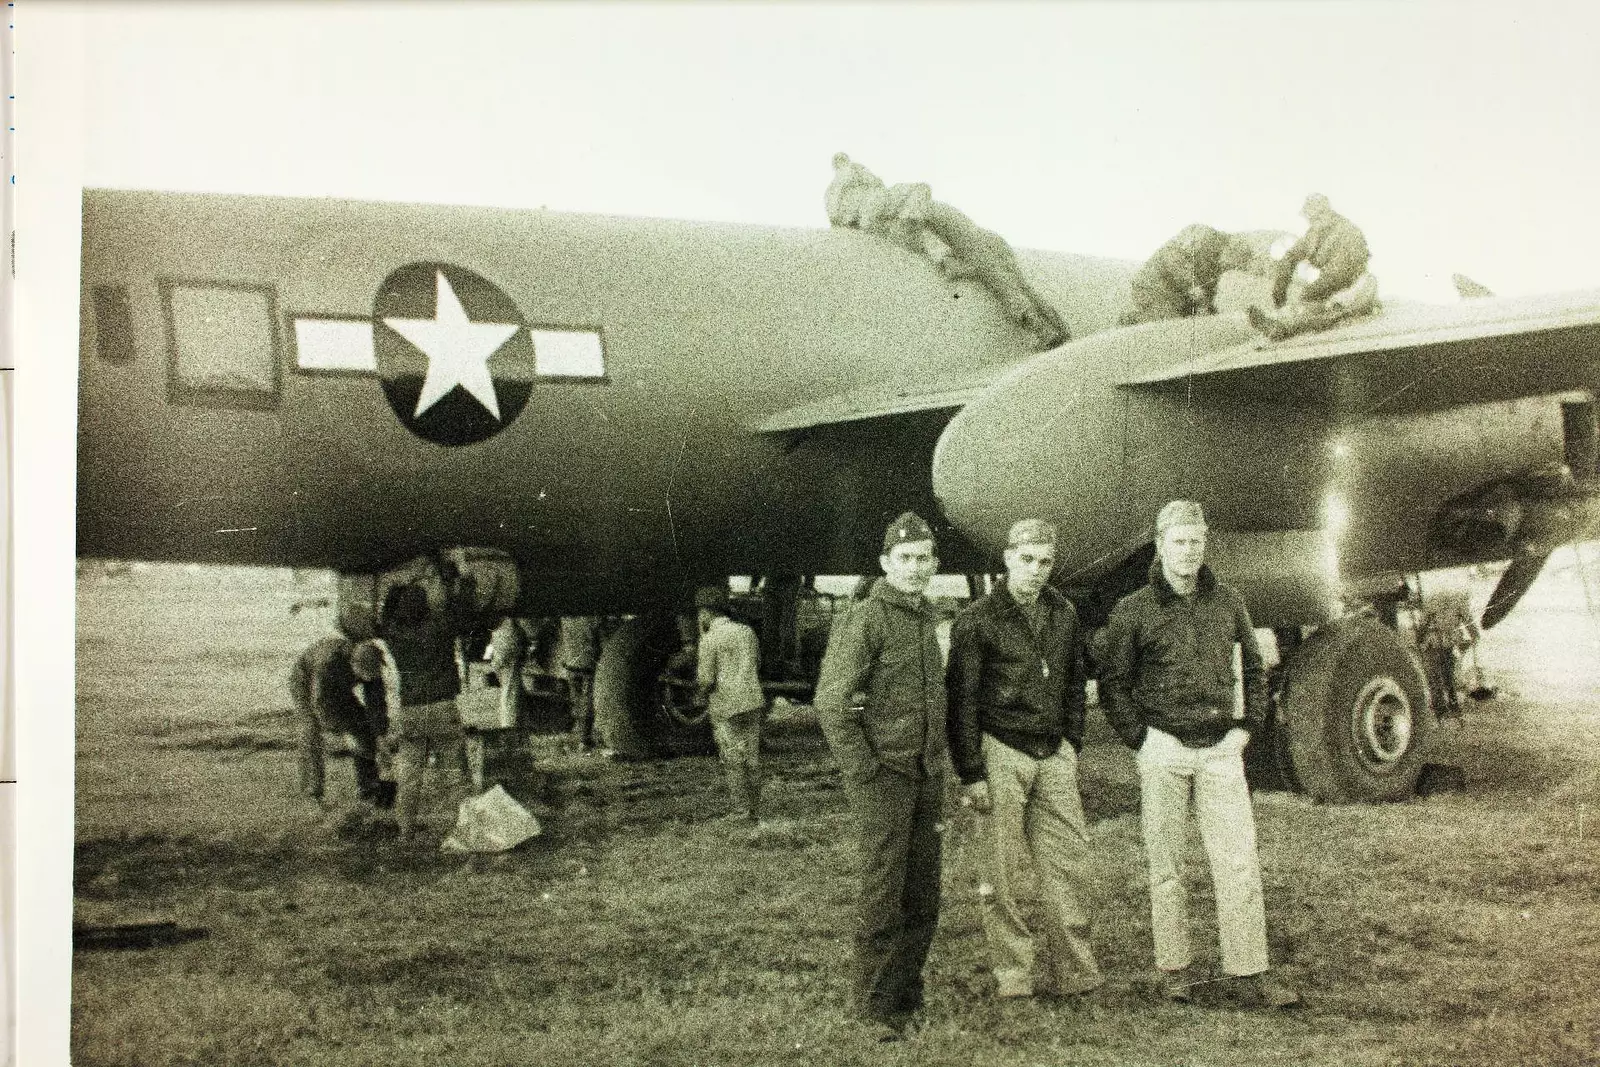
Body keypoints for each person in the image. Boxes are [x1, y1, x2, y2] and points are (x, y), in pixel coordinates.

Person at [1099, 501, 1300, 1009]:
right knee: (1166, 863)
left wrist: (1246, 730)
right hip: (1163, 747)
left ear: (1204, 544)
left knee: (1236, 860)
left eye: (1195, 541)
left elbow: (1254, 672)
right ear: (1160, 544)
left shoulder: (1229, 603)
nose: (1188, 552)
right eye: (1178, 542)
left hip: (1220, 749)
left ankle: (1249, 969)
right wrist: (1141, 739)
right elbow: (1114, 683)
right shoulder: (1134, 609)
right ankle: (1175, 969)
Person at [945, 518, 1101, 1000]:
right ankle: (1014, 975)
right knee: (1001, 873)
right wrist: (972, 771)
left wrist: (1072, 742)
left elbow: (1074, 683)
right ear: (1008, 557)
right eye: (1027, 559)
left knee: (1069, 865)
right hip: (1000, 751)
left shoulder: (1064, 614)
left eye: (1045, 562)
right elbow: (962, 699)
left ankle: (1076, 973)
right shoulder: (978, 619)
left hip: (1052, 752)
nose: (1036, 570)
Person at [814, 512, 949, 1040]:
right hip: (884, 779)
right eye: (905, 559)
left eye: (923, 559)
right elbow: (832, 703)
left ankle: (907, 994)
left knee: (922, 892)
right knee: (882, 891)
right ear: (885, 564)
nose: (915, 569)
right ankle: (874, 1007)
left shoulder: (924, 618)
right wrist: (864, 770)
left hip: (923, 775)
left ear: (934, 564)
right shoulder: (868, 619)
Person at [379, 581, 473, 841]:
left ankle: (405, 832)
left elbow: (385, 616)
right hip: (443, 708)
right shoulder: (439, 629)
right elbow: (461, 610)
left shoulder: (395, 634)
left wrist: (395, 589)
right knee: (455, 774)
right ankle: (466, 829)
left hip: (411, 712)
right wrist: (462, 577)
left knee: (409, 777)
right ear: (427, 607)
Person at [1248, 193, 1378, 340]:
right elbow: (1290, 257)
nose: (1310, 221)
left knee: (1330, 312)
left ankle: (1281, 327)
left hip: (1357, 287)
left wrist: (1309, 294)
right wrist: (1279, 292)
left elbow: (1340, 274)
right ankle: (1279, 324)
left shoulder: (1348, 232)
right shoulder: (1315, 233)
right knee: (1315, 307)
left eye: (1313, 217)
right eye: (1309, 218)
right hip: (1332, 289)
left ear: (1325, 213)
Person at [290, 635, 394, 810]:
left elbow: (377, 705)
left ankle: (368, 788)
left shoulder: (370, 661)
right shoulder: (328, 665)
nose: (368, 679)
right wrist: (346, 733)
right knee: (310, 731)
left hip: (339, 687)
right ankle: (312, 793)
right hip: (306, 680)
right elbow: (321, 705)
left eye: (371, 675)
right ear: (353, 665)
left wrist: (381, 738)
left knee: (363, 726)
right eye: (363, 675)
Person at [693, 586, 768, 822]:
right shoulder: (747, 631)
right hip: (753, 701)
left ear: (706, 612)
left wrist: (699, 696)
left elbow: (706, 678)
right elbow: (757, 662)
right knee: (753, 759)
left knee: (734, 761)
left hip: (727, 706)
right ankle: (755, 809)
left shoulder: (709, 639)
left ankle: (741, 811)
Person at [1121, 224, 1256, 326]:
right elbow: (1172, 256)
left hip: (1178, 293)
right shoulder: (1204, 236)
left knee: (1186, 320)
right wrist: (1195, 287)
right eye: (1235, 262)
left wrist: (1210, 315)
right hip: (1152, 286)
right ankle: (1130, 324)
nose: (1230, 267)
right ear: (1232, 247)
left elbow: (1207, 296)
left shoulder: (1218, 264)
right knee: (1168, 326)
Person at [557, 615, 603, 752]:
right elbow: (600, 639)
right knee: (587, 702)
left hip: (571, 664)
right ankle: (585, 740)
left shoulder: (565, 618)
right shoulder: (594, 618)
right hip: (588, 665)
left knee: (576, 701)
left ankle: (579, 735)